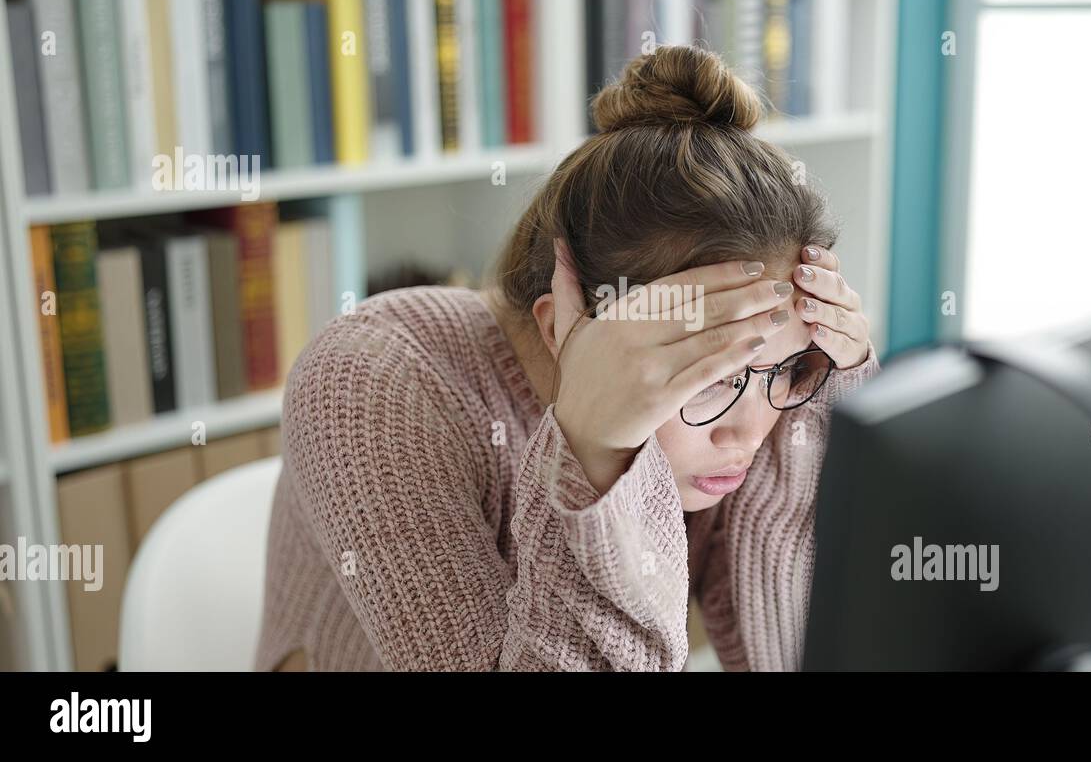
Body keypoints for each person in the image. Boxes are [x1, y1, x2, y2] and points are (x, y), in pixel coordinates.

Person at [254, 45, 881, 672]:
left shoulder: (749, 415)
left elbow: (782, 651)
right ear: (562, 328)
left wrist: (820, 412)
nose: (745, 434)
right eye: (712, 380)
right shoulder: (372, 378)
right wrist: (594, 459)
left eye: (787, 368)